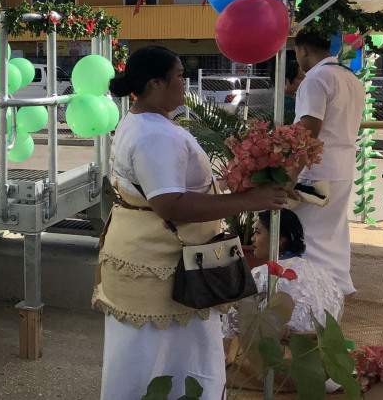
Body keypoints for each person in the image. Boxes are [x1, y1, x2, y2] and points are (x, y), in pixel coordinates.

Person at [96, 45, 292, 400]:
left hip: (151, 258)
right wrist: (249, 200)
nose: (185, 83)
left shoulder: (142, 120)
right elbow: (170, 204)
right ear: (156, 83)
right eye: (180, 76)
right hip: (164, 266)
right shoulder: (155, 135)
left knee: (154, 357)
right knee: (165, 359)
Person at [291, 28, 367, 296]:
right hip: (343, 167)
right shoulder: (350, 77)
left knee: (308, 234)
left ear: (304, 51)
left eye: (296, 53)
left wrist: (290, 173)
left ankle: (316, 294)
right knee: (333, 232)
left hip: (317, 168)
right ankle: (336, 286)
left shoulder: (316, 78)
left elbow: (308, 131)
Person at [222, 209, 344, 338]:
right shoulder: (323, 275)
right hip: (318, 352)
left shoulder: (263, 275)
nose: (252, 238)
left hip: (277, 351)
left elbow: (231, 328)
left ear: (278, 238)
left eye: (258, 232)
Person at [283, 61, 304, 125]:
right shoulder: (287, 103)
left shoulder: (295, 96)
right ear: (286, 81)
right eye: (301, 78)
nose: (305, 81)